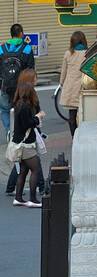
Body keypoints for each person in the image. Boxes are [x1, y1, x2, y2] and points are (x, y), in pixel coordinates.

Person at [6, 70, 44, 198]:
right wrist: (38, 117)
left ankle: (17, 196)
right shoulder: (25, 104)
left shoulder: (20, 102)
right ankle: (34, 196)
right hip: (26, 142)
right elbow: (28, 122)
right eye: (35, 78)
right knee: (35, 168)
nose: (36, 81)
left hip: (22, 141)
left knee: (22, 170)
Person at [0, 25, 34, 141]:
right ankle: (18, 133)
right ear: (21, 34)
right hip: (21, 87)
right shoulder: (27, 49)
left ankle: (9, 130)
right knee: (20, 109)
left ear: (11, 34)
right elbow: (30, 69)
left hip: (5, 86)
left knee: (4, 109)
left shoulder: (2, 49)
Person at [59, 31, 88, 136]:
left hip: (70, 87)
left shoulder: (68, 53)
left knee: (72, 116)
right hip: (83, 86)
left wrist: (62, 83)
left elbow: (63, 72)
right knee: (84, 113)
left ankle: (74, 138)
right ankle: (83, 136)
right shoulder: (87, 53)